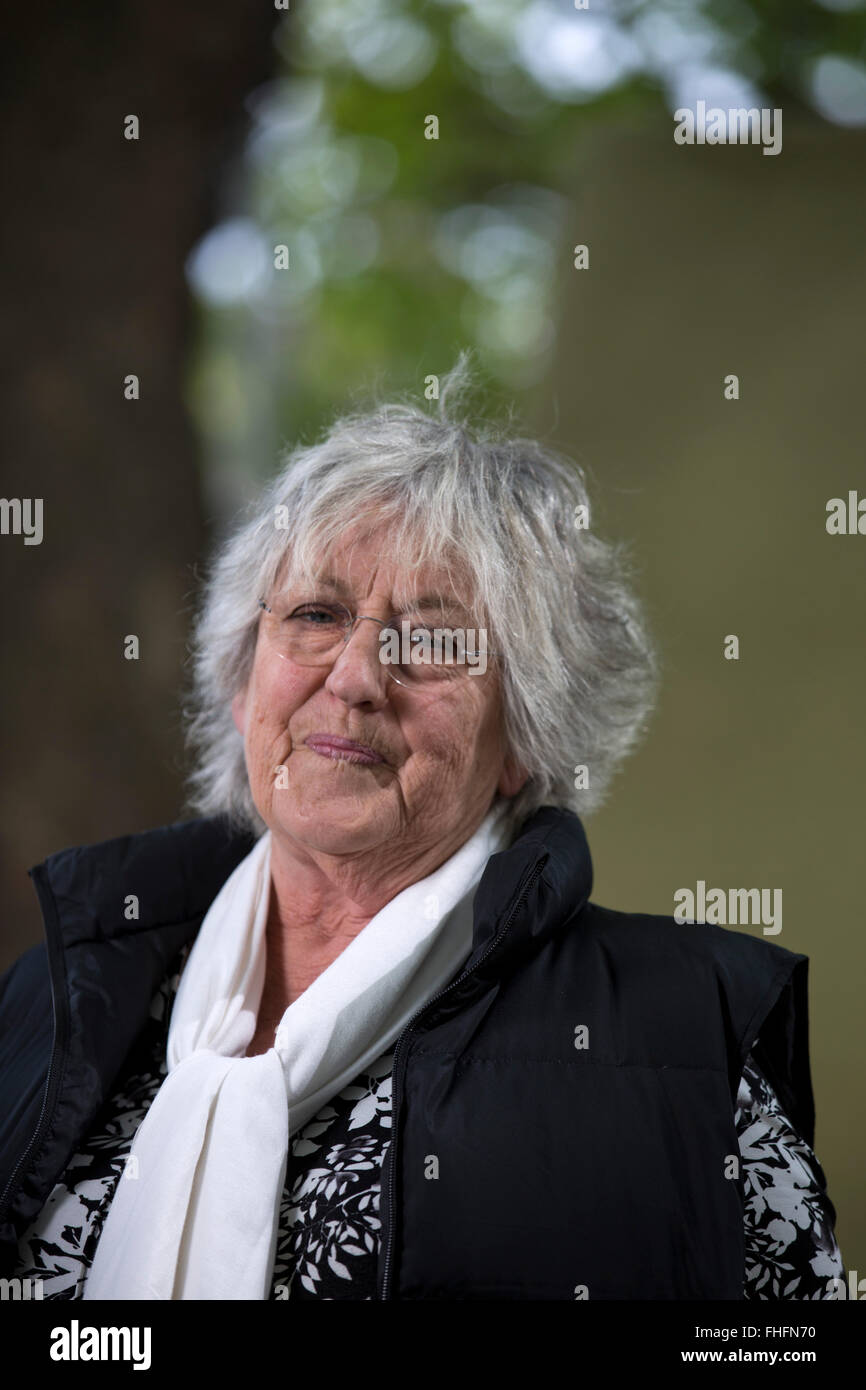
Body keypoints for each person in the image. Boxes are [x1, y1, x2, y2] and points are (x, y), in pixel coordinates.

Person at [0, 363, 845, 1300]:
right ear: (245, 688)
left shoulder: (691, 1035)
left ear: (525, 736)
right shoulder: (59, 992)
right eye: (316, 616)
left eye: (434, 642)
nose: (358, 675)